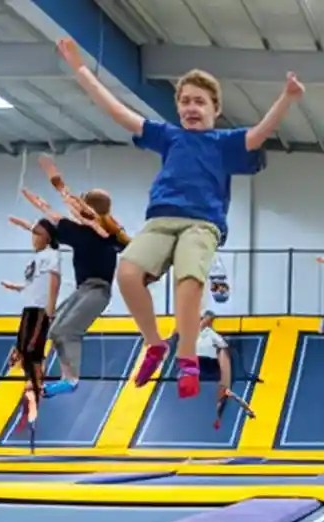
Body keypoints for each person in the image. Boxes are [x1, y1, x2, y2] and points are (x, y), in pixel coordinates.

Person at [57, 37, 301, 399]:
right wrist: (80, 70)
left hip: (202, 223)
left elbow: (259, 133)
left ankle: (186, 356)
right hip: (160, 220)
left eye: (199, 101)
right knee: (127, 273)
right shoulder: (168, 136)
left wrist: (287, 98)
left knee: (189, 280)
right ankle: (155, 343)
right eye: (185, 101)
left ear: (215, 109)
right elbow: (118, 112)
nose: (191, 107)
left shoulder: (224, 142)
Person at [19, 156, 130, 398]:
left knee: (68, 330)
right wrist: (50, 189)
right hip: (84, 290)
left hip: (98, 291)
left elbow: (62, 210)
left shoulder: (107, 234)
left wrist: (55, 182)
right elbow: (59, 213)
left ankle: (71, 380)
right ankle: (55, 375)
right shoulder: (87, 232)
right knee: (56, 329)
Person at [1, 218, 61, 426]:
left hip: (40, 311)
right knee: (22, 350)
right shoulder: (35, 259)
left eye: (37, 234)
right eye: (33, 234)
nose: (33, 238)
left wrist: (50, 310)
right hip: (28, 309)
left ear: (48, 237)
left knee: (33, 350)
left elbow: (54, 282)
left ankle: (37, 389)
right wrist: (16, 287)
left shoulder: (52, 256)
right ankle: (30, 386)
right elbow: (32, 285)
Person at [195, 311, 256, 429]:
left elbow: (238, 400)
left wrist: (249, 411)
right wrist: (249, 410)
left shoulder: (207, 334)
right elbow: (239, 400)